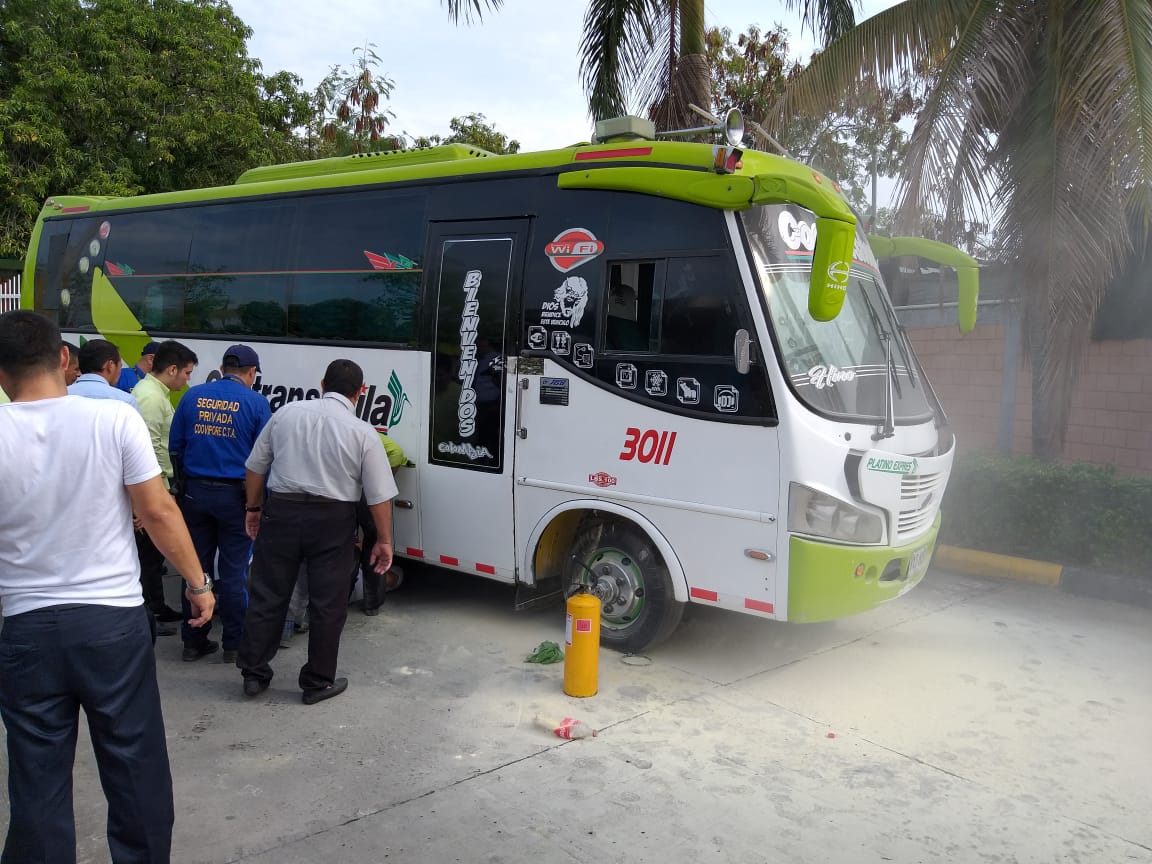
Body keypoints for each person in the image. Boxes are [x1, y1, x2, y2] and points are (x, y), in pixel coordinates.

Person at [0, 310, 215, 863]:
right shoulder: (114, 419)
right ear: (64, 358)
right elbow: (158, 511)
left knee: (36, 777)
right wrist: (198, 583)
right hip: (112, 622)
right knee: (134, 762)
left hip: (26, 627)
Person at [238, 359, 396, 704]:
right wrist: (383, 540)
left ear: (322, 383)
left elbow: (255, 467)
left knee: (268, 593)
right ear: (361, 392)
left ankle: (253, 673)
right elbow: (379, 495)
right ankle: (317, 682)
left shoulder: (285, 414)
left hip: (282, 512)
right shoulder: (363, 432)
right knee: (328, 603)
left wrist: (253, 509)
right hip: (332, 521)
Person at [169, 345, 271, 664]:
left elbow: (175, 447)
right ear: (251, 373)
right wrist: (257, 504)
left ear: (223, 368)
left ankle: (192, 641)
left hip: (195, 494)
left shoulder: (192, 396)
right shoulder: (256, 403)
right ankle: (234, 644)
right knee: (233, 573)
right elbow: (264, 459)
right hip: (235, 499)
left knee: (194, 569)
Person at [132, 339, 198, 631]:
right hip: (155, 484)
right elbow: (147, 448)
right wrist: (156, 492)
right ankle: (149, 612)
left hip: (158, 481)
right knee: (148, 553)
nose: (187, 379)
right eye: (186, 373)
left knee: (152, 553)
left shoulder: (155, 393)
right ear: (172, 369)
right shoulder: (150, 397)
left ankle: (155, 606)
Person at [67, 338, 140, 410]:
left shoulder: (63, 395)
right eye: (120, 367)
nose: (120, 372)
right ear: (110, 365)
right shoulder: (126, 401)